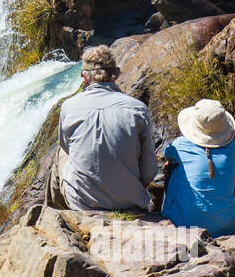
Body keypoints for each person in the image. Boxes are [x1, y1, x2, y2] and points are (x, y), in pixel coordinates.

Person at [48, 46, 157, 213]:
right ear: (116, 74)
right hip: (130, 202)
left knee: (61, 154)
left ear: (85, 77)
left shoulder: (69, 106)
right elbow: (149, 171)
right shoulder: (138, 108)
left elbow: (66, 147)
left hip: (82, 203)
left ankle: (54, 215)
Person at [160, 99, 235, 236]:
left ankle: (168, 214)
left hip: (184, 225)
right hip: (226, 226)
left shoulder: (180, 145)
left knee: (171, 167)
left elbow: (167, 154)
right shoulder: (234, 148)